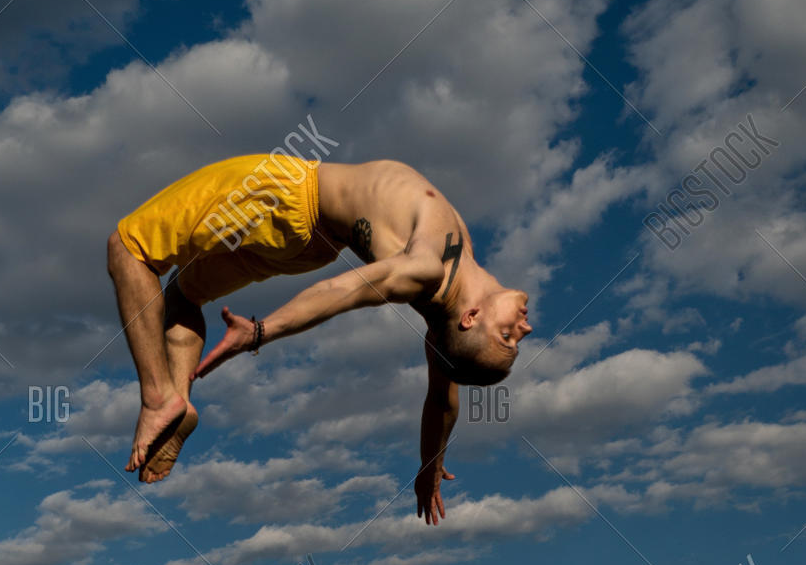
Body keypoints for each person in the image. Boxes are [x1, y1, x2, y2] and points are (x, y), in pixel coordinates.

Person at [107, 152, 531, 522]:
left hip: (285, 196)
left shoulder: (426, 270)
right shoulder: (446, 314)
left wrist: (259, 332)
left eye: (508, 335)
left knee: (128, 248)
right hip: (308, 246)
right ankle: (180, 400)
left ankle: (159, 398)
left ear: (472, 318)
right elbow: (442, 399)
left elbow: (342, 292)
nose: (525, 327)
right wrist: (430, 465)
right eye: (517, 336)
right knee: (183, 296)